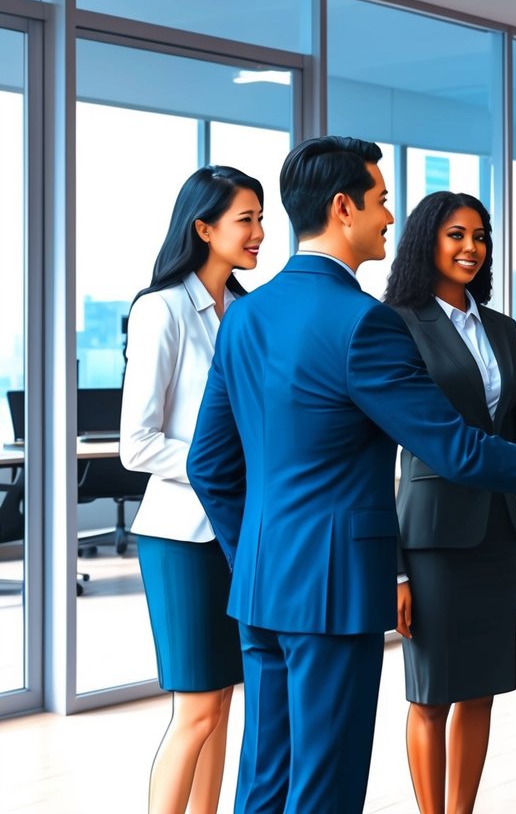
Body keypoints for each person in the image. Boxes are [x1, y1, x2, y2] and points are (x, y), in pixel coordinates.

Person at [186, 136, 516, 813]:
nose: (390, 219)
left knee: (266, 780)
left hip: (260, 583)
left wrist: (251, 550)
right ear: (343, 208)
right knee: (325, 787)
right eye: (381, 201)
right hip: (334, 590)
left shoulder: (246, 313)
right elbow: (454, 449)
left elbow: (210, 466)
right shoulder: (363, 323)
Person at [382, 191, 516, 814]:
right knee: (430, 693)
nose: (471, 248)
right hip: (431, 539)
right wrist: (392, 566)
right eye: (455, 235)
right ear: (427, 241)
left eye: (479, 236)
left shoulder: (501, 327)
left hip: (496, 529)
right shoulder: (396, 323)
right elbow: (375, 455)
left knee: (481, 689)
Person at [120, 165, 262, 814]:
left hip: (240, 532)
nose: (260, 233)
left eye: (261, 219)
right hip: (181, 536)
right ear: (203, 228)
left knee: (224, 700)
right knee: (197, 709)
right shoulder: (163, 309)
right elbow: (138, 442)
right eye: (246, 220)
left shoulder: (246, 313)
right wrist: (224, 468)